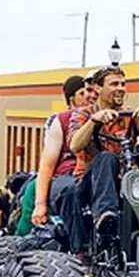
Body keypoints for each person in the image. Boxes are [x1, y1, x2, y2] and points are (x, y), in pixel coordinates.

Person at [65, 66, 139, 247]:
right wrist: (94, 121)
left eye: (123, 84)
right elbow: (75, 145)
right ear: (98, 88)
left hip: (126, 181)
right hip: (90, 183)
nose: (120, 88)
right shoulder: (84, 114)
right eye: (114, 84)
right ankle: (105, 218)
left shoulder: (129, 115)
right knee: (107, 157)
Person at [29, 74, 92, 227]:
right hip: (66, 174)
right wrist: (40, 203)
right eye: (82, 93)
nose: (88, 97)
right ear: (72, 98)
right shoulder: (59, 120)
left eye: (90, 92)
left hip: (92, 172)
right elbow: (47, 163)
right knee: (31, 190)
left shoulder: (110, 117)